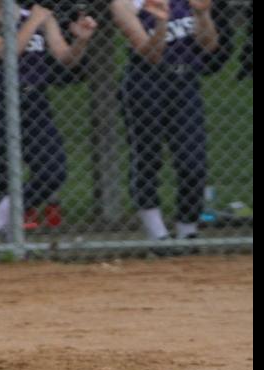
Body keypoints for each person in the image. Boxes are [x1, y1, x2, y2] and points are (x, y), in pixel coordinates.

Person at [0, 2, 96, 245]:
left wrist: (81, 41)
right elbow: (5, 52)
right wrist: (34, 21)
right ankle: (10, 244)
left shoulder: (38, 15)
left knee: (52, 171)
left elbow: (65, 58)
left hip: (34, 101)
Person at [111, 0, 218, 242]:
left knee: (193, 163)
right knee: (148, 157)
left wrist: (202, 14)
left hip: (185, 82)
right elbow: (151, 55)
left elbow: (209, 44)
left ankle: (187, 229)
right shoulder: (124, 4)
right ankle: (157, 233)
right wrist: (160, 23)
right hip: (146, 83)